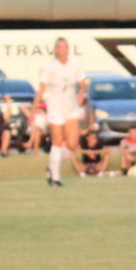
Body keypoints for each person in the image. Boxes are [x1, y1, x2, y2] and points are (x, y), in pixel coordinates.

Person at [38, 37, 88, 187]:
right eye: (60, 47)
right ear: (56, 50)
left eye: (66, 47)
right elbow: (42, 88)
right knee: (57, 142)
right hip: (55, 107)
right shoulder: (50, 67)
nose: (63, 50)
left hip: (71, 107)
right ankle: (55, 176)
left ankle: (51, 166)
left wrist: (81, 93)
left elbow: (83, 83)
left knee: (72, 144)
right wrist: (35, 107)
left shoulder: (76, 65)